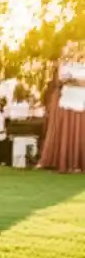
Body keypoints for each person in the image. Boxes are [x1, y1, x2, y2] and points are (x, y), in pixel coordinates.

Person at [39, 42, 85, 173]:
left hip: (81, 99)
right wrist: (75, 81)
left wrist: (74, 81)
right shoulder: (65, 65)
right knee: (67, 130)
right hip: (68, 99)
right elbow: (62, 80)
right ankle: (66, 161)